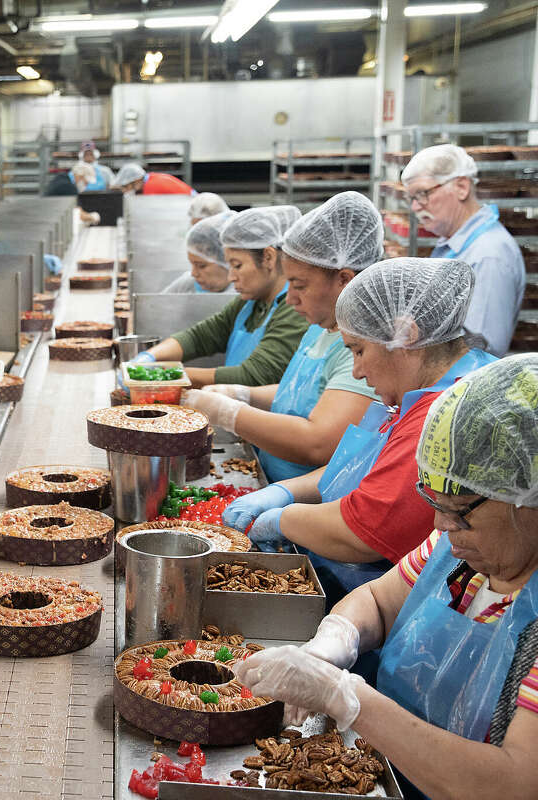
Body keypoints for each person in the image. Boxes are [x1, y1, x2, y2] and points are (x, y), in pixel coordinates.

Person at [234, 355, 538, 800]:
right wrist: (335, 641)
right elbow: (378, 601)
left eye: (458, 513)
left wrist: (348, 699)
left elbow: (516, 784)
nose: (439, 526)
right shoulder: (457, 552)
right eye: (433, 503)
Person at [223, 257, 496, 601]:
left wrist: (283, 519)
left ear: (406, 335)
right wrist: (288, 491)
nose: (356, 372)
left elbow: (363, 529)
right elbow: (360, 466)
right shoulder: (415, 391)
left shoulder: (447, 410)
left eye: (358, 350)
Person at [183, 192, 383, 483]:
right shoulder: (322, 324)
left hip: (312, 505)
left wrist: (230, 413)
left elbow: (317, 443)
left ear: (344, 280)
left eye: (299, 285)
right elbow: (303, 392)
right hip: (272, 476)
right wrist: (244, 394)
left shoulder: (366, 345)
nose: (289, 299)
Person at [133, 205, 309, 388]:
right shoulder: (250, 302)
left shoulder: (294, 307)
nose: (231, 276)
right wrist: (151, 356)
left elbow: (254, 376)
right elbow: (200, 337)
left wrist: (165, 375)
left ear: (268, 258)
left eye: (237, 265)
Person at [402, 144, 524, 357]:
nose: (415, 207)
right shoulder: (451, 245)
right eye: (411, 198)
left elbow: (482, 352)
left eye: (422, 194)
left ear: (461, 187)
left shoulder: (488, 256)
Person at [160, 210, 238, 294]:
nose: (194, 273)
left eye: (201, 266)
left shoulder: (242, 295)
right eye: (192, 264)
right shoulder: (188, 284)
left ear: (227, 263)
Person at [112, 162, 194, 195]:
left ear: (136, 180)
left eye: (126, 187)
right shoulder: (151, 177)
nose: (126, 190)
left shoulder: (150, 187)